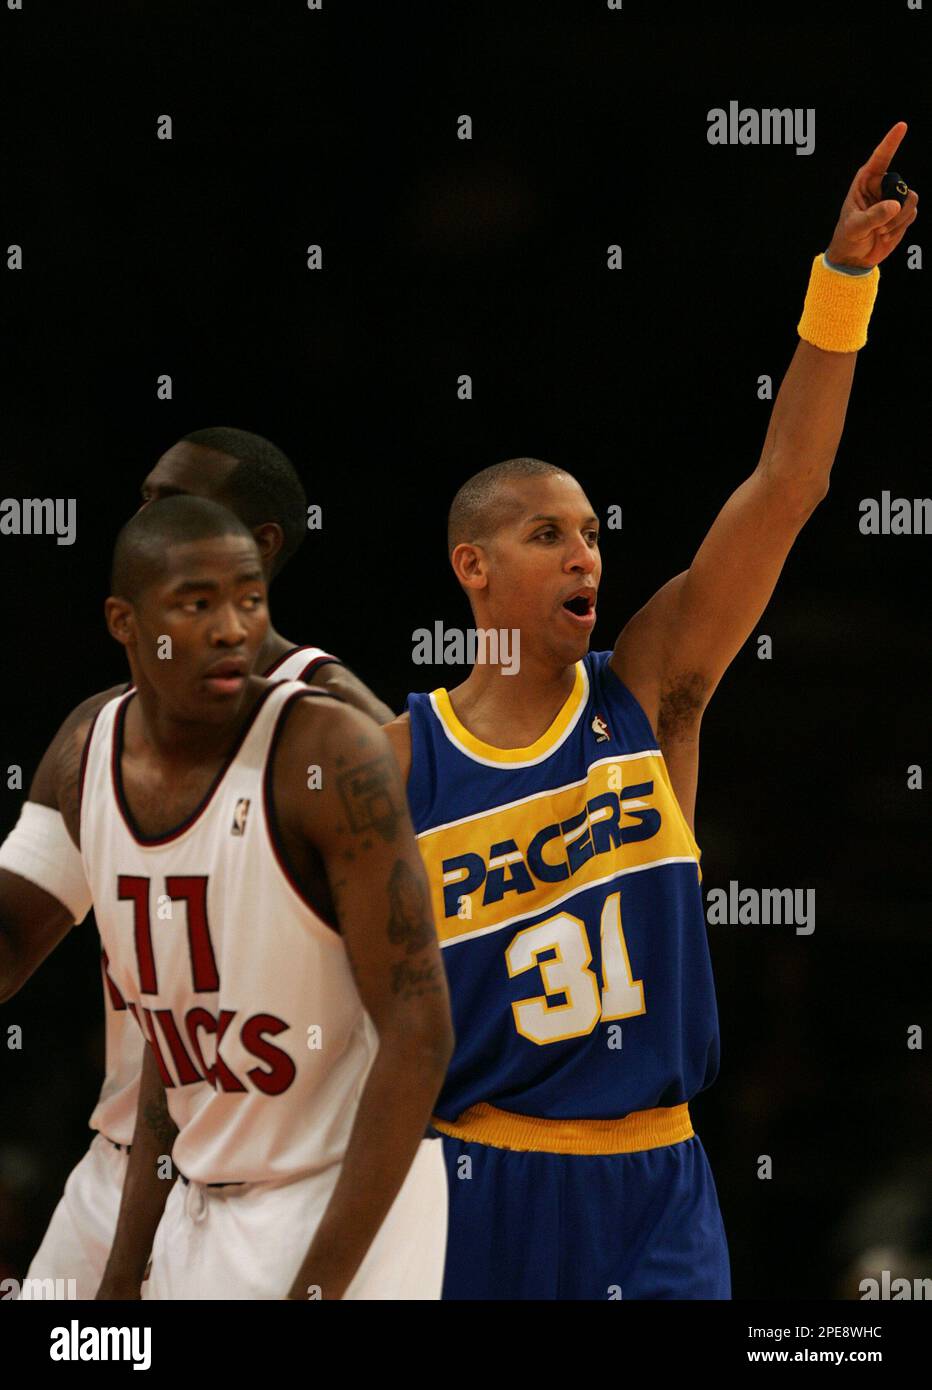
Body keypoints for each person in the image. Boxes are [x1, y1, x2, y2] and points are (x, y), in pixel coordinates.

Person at [382, 123, 918, 1298]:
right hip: (472, 1182)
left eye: (590, 533)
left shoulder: (650, 691)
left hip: (658, 1184)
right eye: (546, 534)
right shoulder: (394, 756)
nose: (584, 553)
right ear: (471, 567)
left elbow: (787, 489)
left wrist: (842, 284)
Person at [1, 426, 394, 1296]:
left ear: (257, 553)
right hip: (123, 1168)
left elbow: (424, 1011)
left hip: (287, 1185)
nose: (144, 518)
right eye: (145, 499)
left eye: (176, 502)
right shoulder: (98, 731)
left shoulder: (342, 735)